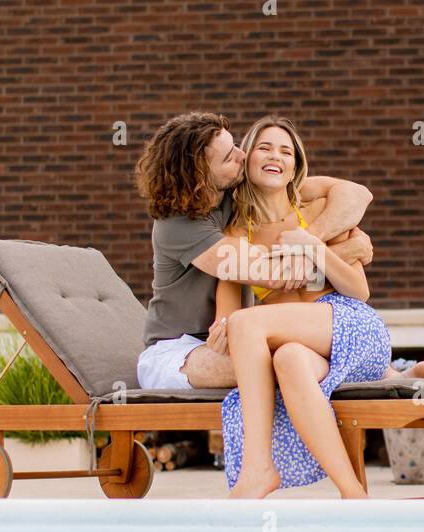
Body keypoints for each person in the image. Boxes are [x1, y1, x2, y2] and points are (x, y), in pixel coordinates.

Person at [212, 115, 424, 499]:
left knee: (249, 325)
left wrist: (313, 246)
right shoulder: (237, 235)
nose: (276, 157)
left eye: (286, 151)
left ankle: (257, 468)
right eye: (265, 148)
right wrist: (221, 331)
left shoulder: (317, 211)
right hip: (311, 349)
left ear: (294, 168)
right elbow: (226, 319)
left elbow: (359, 289)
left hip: (353, 323)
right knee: (286, 357)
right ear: (248, 159)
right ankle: (353, 493)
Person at [134, 112, 375, 392]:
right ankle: (387, 373)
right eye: (228, 157)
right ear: (200, 174)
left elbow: (356, 194)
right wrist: (347, 250)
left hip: (238, 334)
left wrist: (310, 239)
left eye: (236, 146)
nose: (241, 155)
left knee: (291, 358)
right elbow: (272, 274)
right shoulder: (178, 224)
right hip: (179, 350)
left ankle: (384, 370)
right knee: (277, 364)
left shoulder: (237, 197)